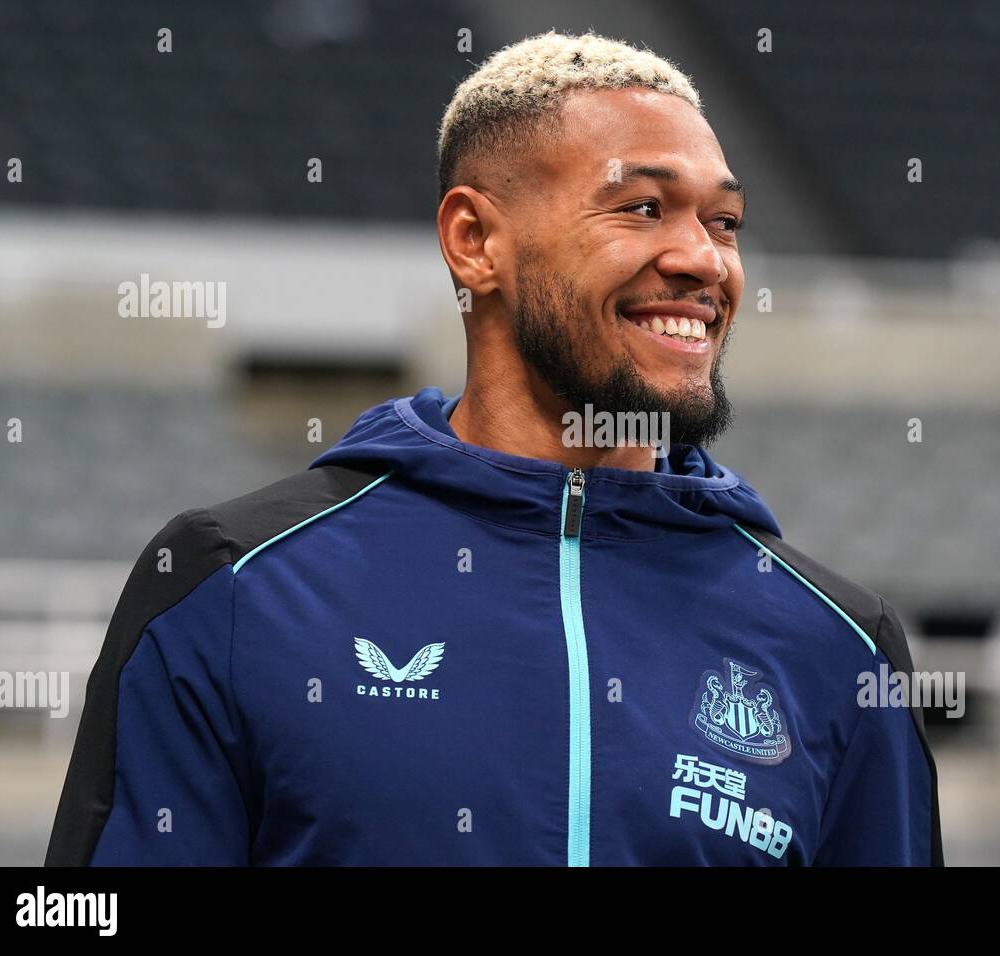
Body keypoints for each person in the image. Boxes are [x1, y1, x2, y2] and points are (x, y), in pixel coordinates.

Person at [46, 30, 941, 866]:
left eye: (724, 222)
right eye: (643, 207)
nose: (704, 261)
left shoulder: (837, 646)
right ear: (474, 242)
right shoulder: (231, 586)